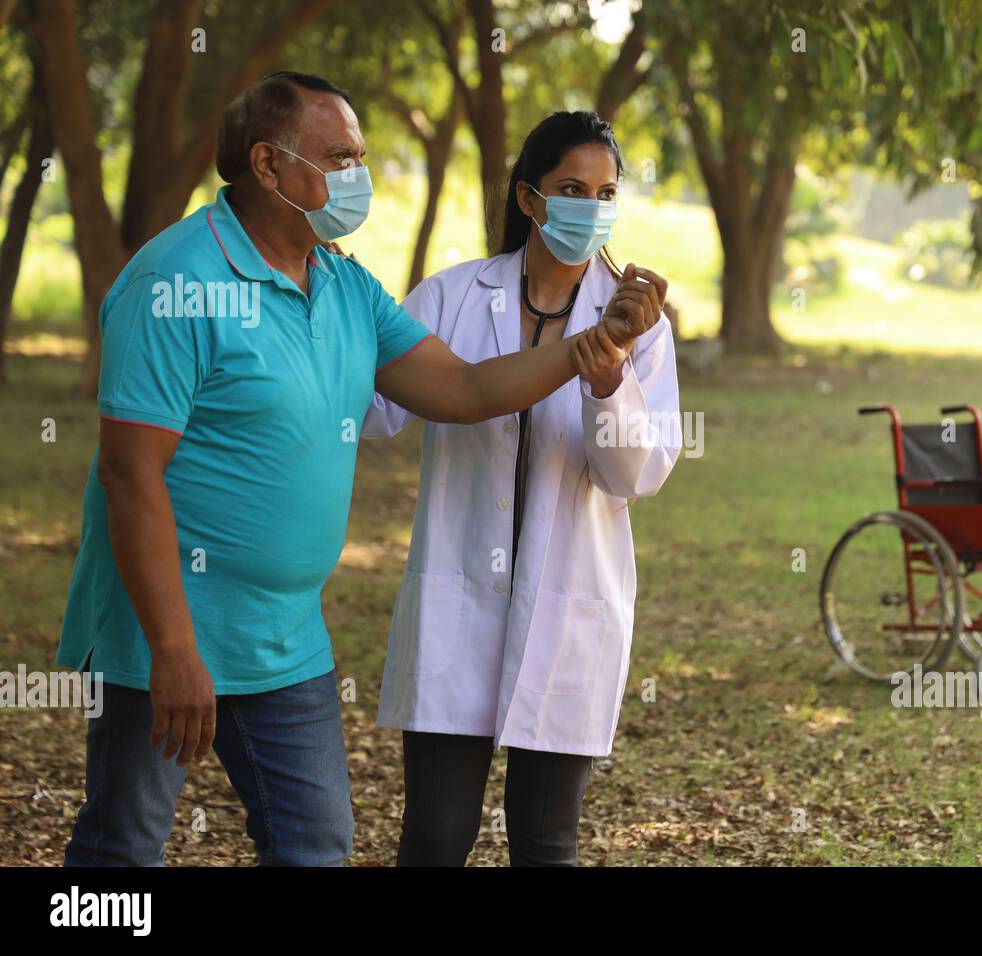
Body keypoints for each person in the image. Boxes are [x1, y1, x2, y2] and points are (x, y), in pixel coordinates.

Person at [56, 74, 656, 867]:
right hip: (163, 625)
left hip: (286, 637)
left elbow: (464, 386)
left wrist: (594, 350)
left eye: (361, 157)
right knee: (123, 849)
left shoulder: (343, 285)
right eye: (339, 158)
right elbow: (130, 476)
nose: (358, 178)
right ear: (268, 166)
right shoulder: (174, 284)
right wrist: (172, 648)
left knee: (314, 843)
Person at [361, 111, 681, 866]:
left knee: (545, 843)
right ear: (531, 200)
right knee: (436, 838)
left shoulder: (641, 326)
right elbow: (375, 414)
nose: (591, 208)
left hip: (569, 606)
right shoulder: (451, 298)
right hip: (456, 602)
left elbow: (634, 474)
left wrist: (610, 383)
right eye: (572, 188)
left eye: (606, 193)